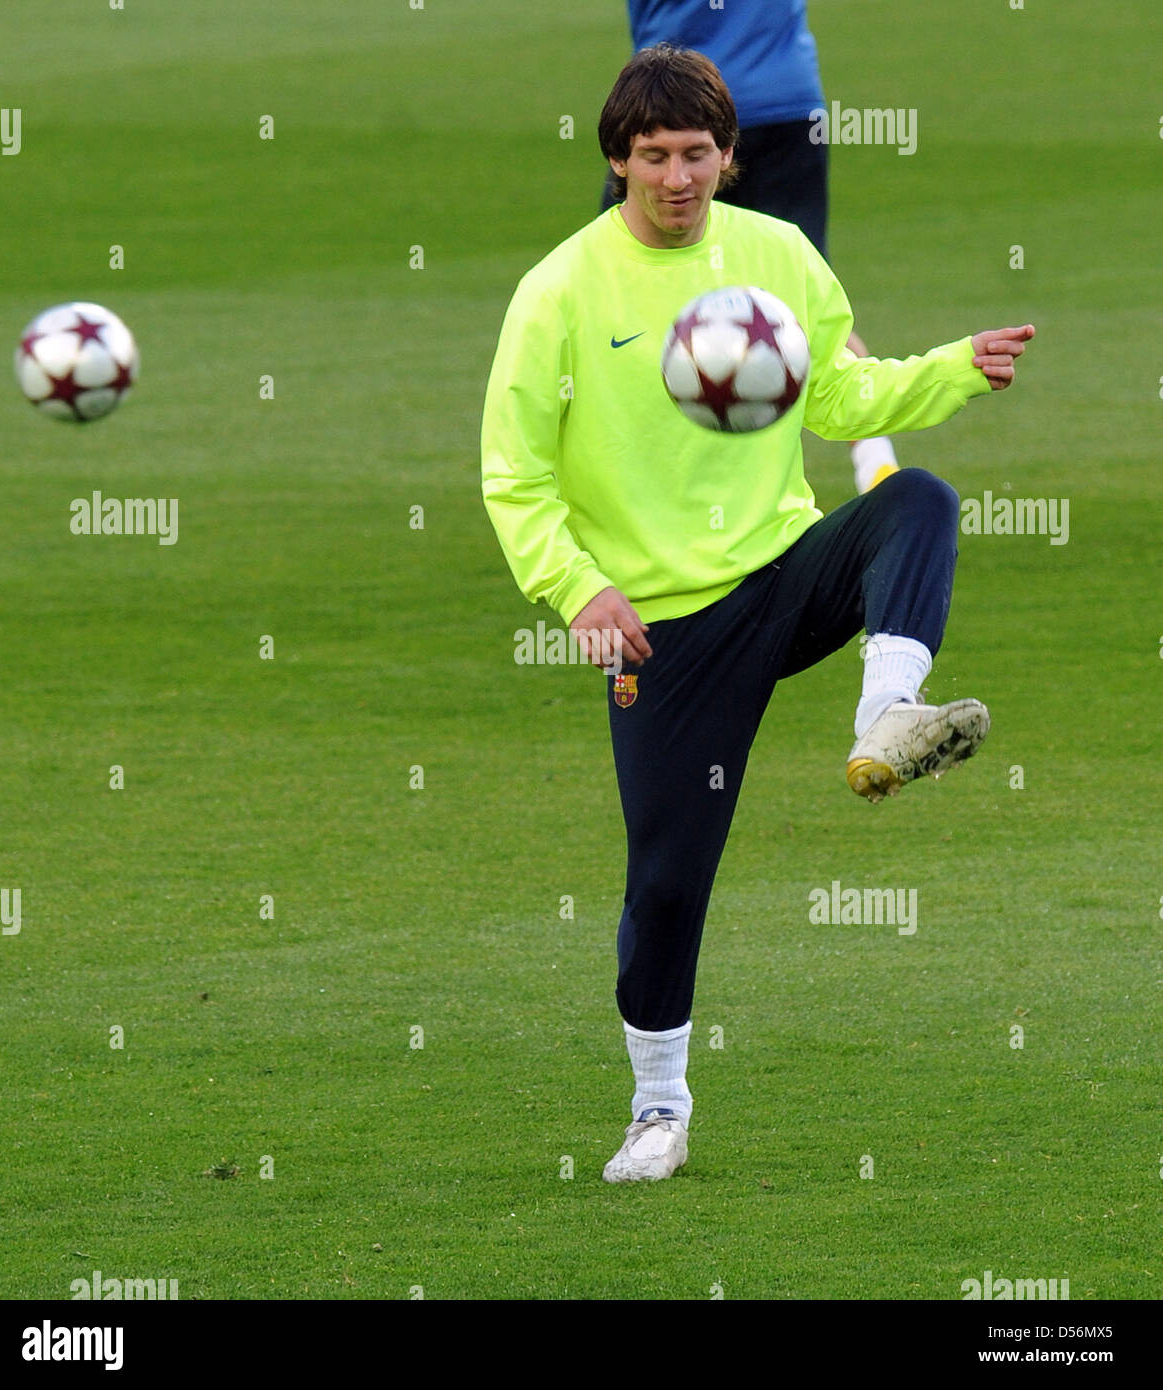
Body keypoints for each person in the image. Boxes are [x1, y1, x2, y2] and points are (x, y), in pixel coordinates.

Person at [481, 45, 1033, 1183]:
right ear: (618, 162)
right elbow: (514, 475)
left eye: (696, 155)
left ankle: (888, 712)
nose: (676, 177)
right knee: (669, 881)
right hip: (663, 625)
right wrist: (577, 587)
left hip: (782, 573)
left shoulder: (776, 251)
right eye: (652, 158)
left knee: (914, 500)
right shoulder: (560, 292)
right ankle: (657, 1109)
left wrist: (954, 370)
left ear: (730, 159)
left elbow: (837, 392)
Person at [604, 0, 900, 495]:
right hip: (781, 100)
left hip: (667, 114)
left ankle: (637, 473)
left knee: (617, 289)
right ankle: (876, 461)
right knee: (800, 306)